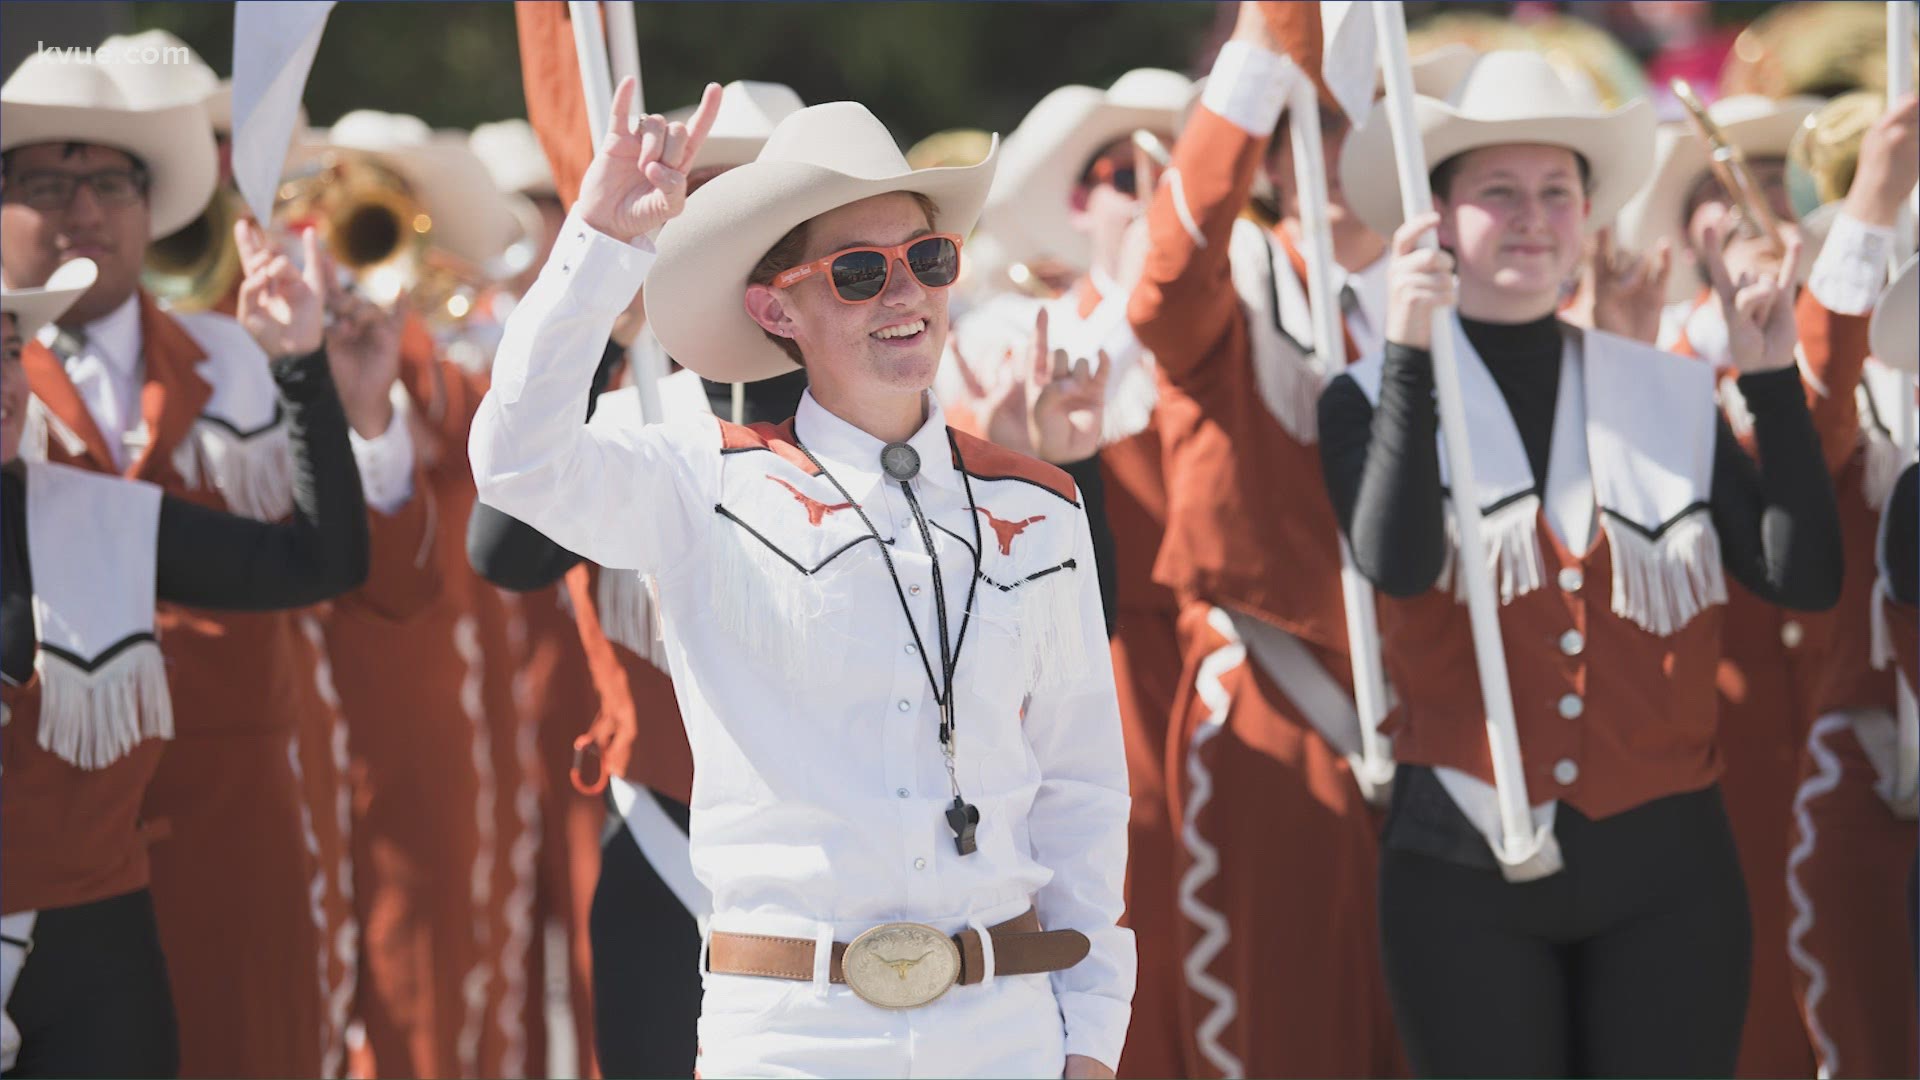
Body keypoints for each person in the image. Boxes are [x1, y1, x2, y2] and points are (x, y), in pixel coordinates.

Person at [471, 79, 1134, 1078]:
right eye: (860, 272)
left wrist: (1091, 1039)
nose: (905, 291)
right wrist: (600, 247)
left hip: (1005, 1031)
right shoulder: (696, 479)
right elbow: (517, 468)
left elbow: (1082, 789)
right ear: (774, 308)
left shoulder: (1041, 507)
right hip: (791, 1035)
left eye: (929, 258)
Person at [1320, 50, 1842, 1076]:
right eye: (1497, 193)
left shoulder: (1670, 390)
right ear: (1436, 220)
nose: (1531, 218)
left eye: (1558, 192)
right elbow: (1397, 564)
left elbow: (1803, 577)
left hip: (1669, 874)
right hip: (1462, 870)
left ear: (1589, 216)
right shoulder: (1367, 394)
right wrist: (1411, 345)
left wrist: (1773, 380)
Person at [0, 51, 419, 1079]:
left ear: (152, 204)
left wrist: (361, 418)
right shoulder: (16, 365)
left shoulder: (246, 357)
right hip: (43, 833)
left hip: (238, 819)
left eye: (111, 181)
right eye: (46, 184)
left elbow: (380, 586)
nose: (82, 209)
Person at [467, 77, 810, 1080]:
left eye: (755, 197)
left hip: (833, 876)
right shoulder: (625, 417)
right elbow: (504, 550)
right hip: (665, 857)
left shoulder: (869, 413)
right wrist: (607, 320)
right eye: (698, 195)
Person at [1617, 89, 1920, 1079]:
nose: (1746, 208)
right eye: (1713, 191)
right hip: (1734, 759)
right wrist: (1871, 210)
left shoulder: (1876, 352)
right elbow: (1810, 439)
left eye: (1763, 185)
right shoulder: (1663, 373)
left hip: (1866, 760)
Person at [961, 64, 1188, 1080]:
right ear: (1081, 203)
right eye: (1126, 172)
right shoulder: (1004, 342)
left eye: (1178, 171)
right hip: (1093, 685)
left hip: (1234, 684)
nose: (1156, 190)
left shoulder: (1263, 334)